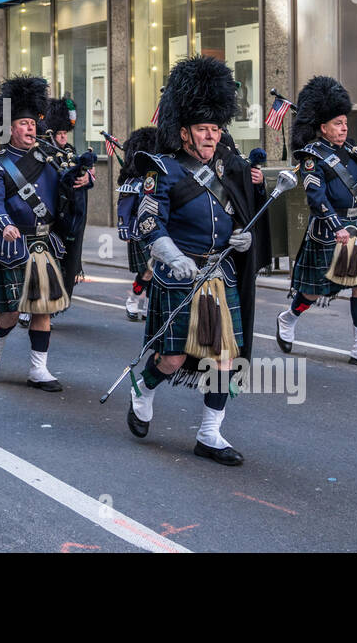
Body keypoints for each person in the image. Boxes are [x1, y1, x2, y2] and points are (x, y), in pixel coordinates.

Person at [125, 57, 268, 466]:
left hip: (218, 275)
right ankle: (144, 390)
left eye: (216, 129)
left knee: (224, 358)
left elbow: (237, 212)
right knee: (170, 359)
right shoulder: (162, 170)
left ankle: (210, 434)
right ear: (184, 132)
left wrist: (240, 239)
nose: (211, 136)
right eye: (204, 129)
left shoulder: (224, 171)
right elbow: (148, 222)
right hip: (178, 274)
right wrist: (170, 255)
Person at [0, 76, 89, 392]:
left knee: (44, 309)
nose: (30, 128)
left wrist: (82, 179)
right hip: (15, 243)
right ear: (10, 128)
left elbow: (69, 183)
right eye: (23, 123)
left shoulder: (50, 157)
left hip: (46, 242)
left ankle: (39, 370)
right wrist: (3, 224)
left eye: (32, 123)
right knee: (11, 312)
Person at [275, 76, 357, 369]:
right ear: (323, 127)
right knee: (315, 290)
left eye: (345, 123)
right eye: (338, 123)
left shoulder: (352, 153)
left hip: (355, 228)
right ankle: (288, 317)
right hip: (330, 232)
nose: (344, 128)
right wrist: (334, 225)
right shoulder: (312, 158)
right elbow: (316, 197)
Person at [41, 96, 94, 301]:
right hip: (50, 212)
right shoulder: (42, 151)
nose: (63, 137)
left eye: (65, 133)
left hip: (71, 213)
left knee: (65, 260)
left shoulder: (70, 151)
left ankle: (53, 303)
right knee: (48, 260)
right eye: (59, 133)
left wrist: (87, 178)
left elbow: (81, 174)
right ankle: (35, 305)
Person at [116, 127, 159, 321]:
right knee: (147, 271)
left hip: (157, 229)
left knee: (157, 271)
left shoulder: (157, 179)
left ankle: (149, 303)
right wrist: (123, 229)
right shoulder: (132, 182)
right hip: (138, 231)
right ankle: (133, 298)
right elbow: (124, 207)